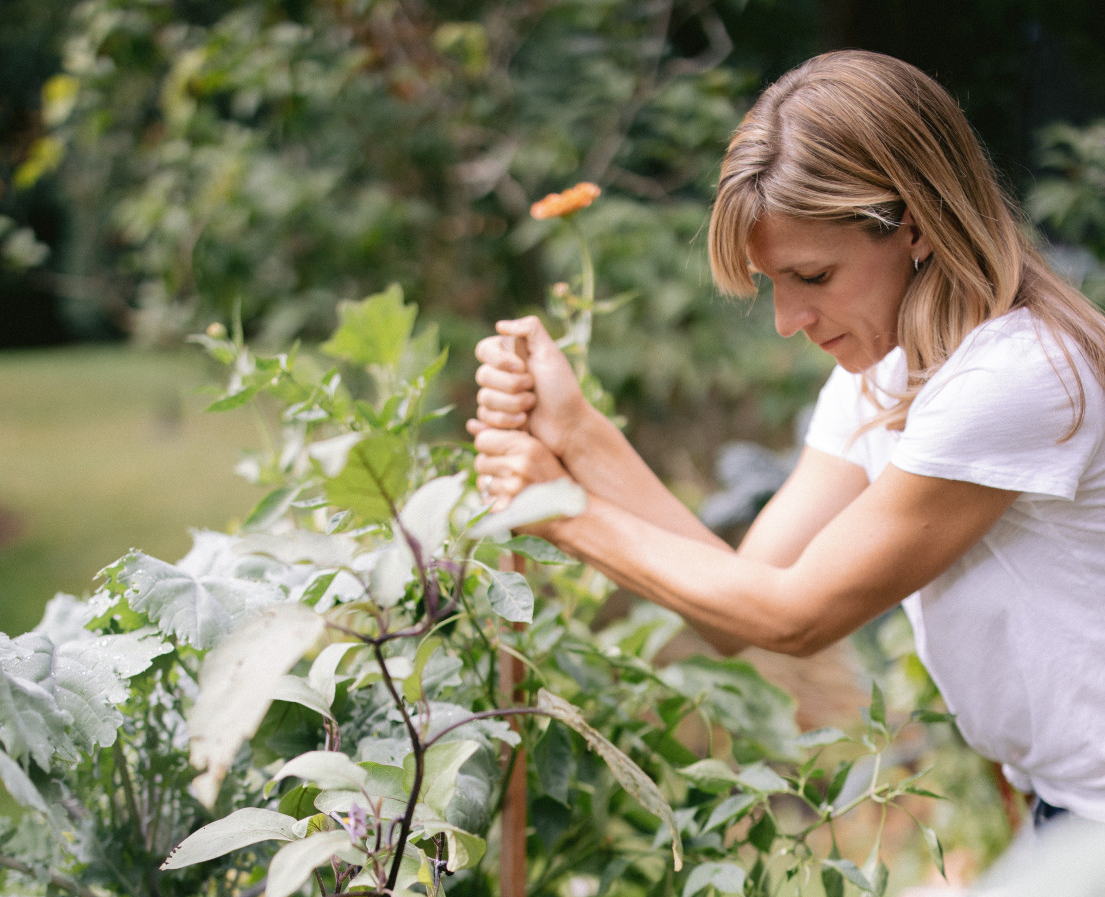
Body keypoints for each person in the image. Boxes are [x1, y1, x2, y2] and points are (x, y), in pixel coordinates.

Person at [468, 50, 1105, 825]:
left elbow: (794, 616)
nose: (786, 320)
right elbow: (734, 600)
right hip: (1068, 809)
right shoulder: (879, 378)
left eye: (814, 277)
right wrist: (578, 431)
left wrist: (562, 512)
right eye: (774, 283)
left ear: (916, 226)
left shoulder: (1017, 375)